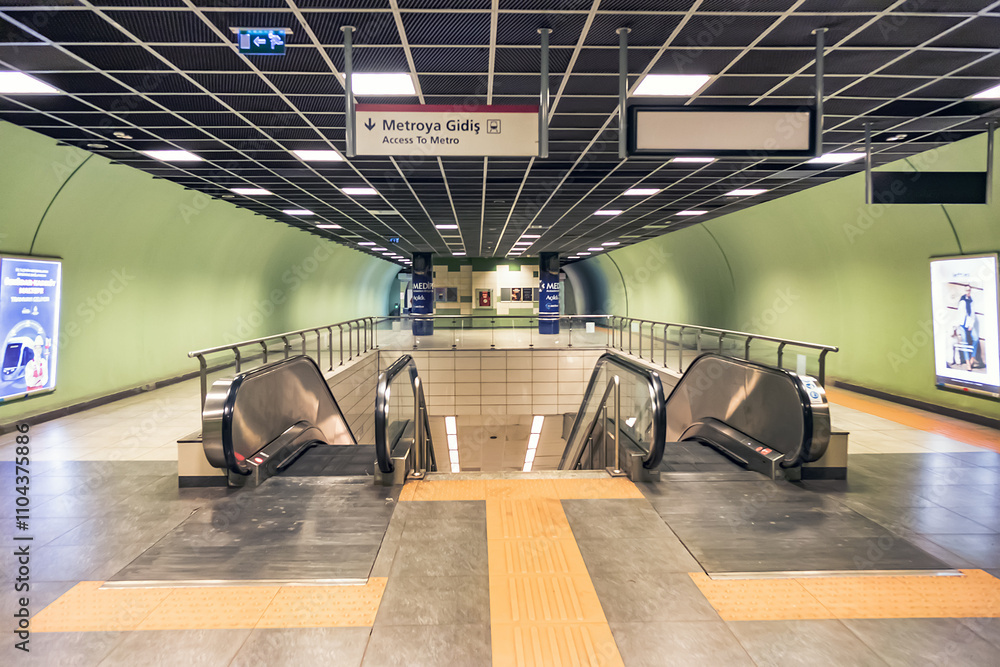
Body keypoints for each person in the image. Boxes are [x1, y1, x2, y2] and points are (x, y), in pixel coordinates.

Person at [958, 285, 984, 370]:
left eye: (969, 290)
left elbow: (972, 314)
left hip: (970, 324)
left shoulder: (972, 301)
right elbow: (959, 313)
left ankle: (972, 358)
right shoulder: (962, 300)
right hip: (962, 324)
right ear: (964, 291)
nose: (968, 292)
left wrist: (971, 324)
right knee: (964, 342)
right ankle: (968, 363)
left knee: (976, 339)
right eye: (966, 290)